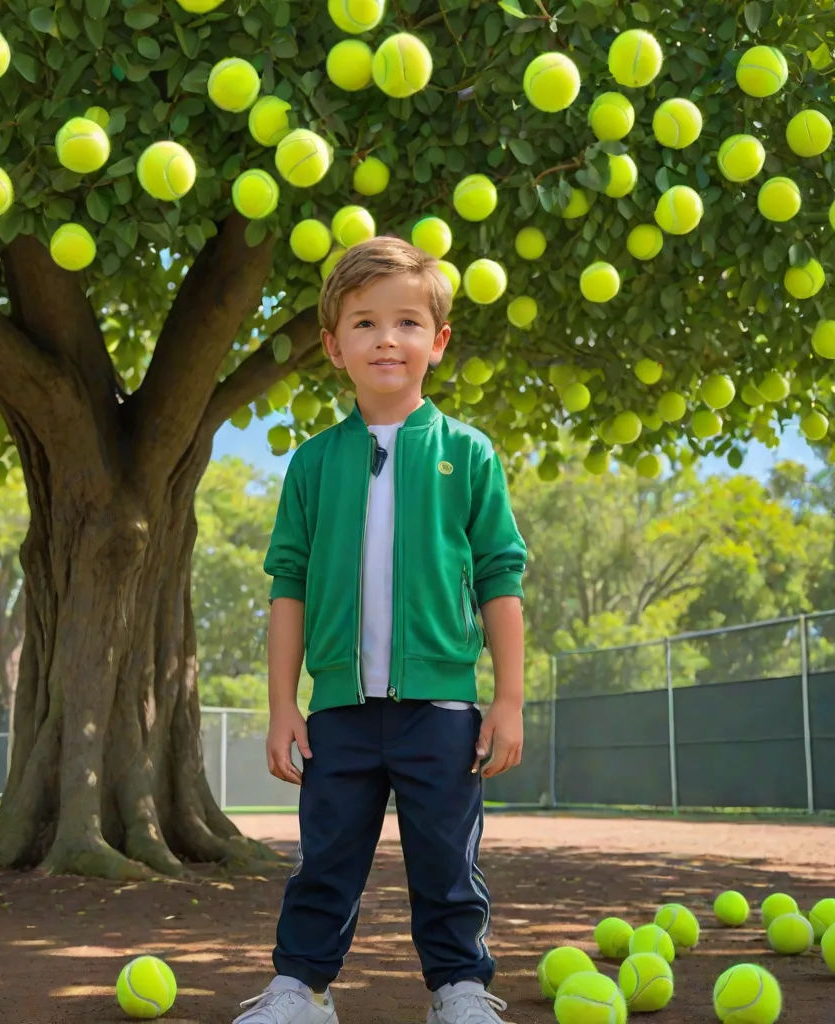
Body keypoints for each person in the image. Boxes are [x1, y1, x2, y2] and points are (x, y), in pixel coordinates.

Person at [235, 236, 527, 1024]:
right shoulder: (312, 464)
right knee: (324, 862)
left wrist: (508, 700)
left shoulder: (468, 455)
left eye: (405, 322)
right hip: (337, 714)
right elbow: (287, 587)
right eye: (364, 323)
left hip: (442, 711)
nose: (385, 339)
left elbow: (501, 577)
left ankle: (460, 990)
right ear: (334, 346)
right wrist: (282, 704)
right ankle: (302, 990)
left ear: (438, 341)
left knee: (446, 865)